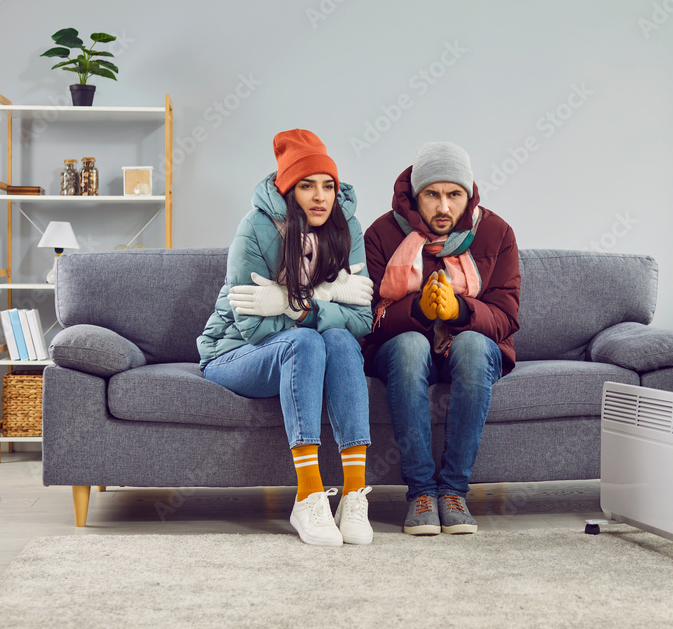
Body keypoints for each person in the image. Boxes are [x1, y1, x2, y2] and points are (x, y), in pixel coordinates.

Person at [197, 129, 374, 547]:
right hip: (234, 354)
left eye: (328, 185)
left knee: (341, 342)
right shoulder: (255, 228)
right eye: (307, 186)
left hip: (301, 345)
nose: (320, 197)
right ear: (288, 190)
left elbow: (361, 321)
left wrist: (298, 304)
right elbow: (253, 327)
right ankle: (308, 495)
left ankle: (354, 494)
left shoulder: (346, 226)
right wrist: (327, 297)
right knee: (308, 342)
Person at [363, 141, 520, 536]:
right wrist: (418, 309)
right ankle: (420, 493)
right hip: (401, 352)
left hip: (470, 350)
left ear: (469, 195)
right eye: (432, 194)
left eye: (454, 194)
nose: (444, 206)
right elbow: (366, 321)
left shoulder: (496, 233)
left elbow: (506, 318)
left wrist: (460, 311)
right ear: (415, 196)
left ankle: (452, 492)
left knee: (472, 345)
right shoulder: (381, 234)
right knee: (410, 345)